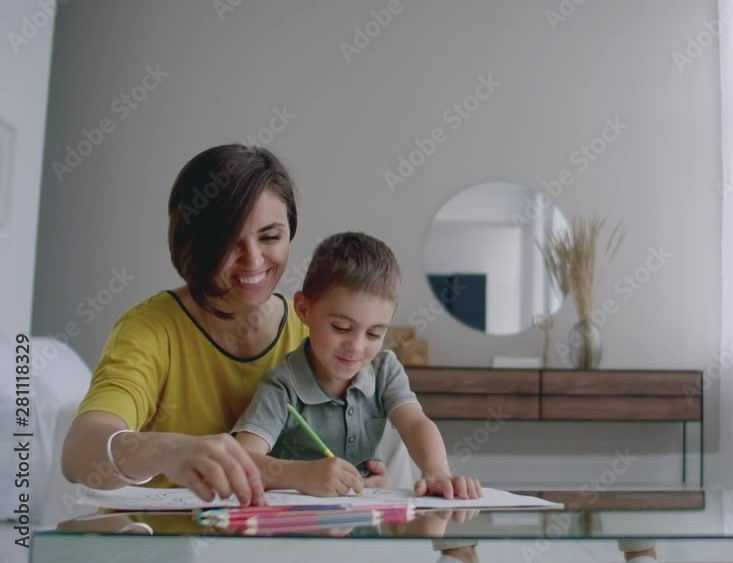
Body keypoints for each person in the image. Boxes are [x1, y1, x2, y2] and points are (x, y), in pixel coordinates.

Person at [60, 144, 396, 507]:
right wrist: (167, 450)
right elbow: (80, 454)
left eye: (270, 236)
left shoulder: (322, 332)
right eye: (228, 242)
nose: (253, 260)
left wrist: (364, 481)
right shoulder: (151, 330)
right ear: (192, 243)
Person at [232, 232, 482, 500]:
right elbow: (241, 460)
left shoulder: (384, 369)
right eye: (341, 328)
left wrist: (436, 472)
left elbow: (415, 424)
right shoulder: (283, 386)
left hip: (366, 529)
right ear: (304, 309)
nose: (357, 346)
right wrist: (302, 476)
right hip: (297, 532)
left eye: (374, 334)